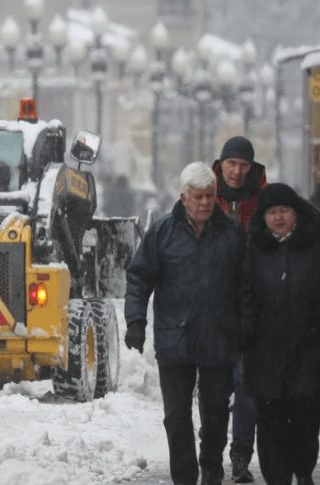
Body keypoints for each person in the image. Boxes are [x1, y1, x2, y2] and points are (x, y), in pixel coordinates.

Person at [124, 161, 248, 485]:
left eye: (210, 195)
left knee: (217, 413)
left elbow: (247, 285)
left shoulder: (232, 233)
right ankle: (184, 477)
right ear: (183, 197)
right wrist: (136, 320)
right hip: (174, 340)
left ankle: (210, 467)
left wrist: (249, 327)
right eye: (199, 196)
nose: (205, 202)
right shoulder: (162, 232)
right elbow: (139, 277)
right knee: (177, 417)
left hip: (219, 339)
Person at [241, 183, 320, 485]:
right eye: (271, 212)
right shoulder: (255, 247)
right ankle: (277, 479)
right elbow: (244, 295)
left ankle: (303, 471)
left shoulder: (313, 246)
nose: (277, 218)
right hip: (266, 355)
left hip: (308, 353)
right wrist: (247, 335)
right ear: (263, 216)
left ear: (296, 213)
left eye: (284, 211)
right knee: (271, 423)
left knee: (305, 421)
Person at [210, 135, 267, 483]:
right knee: (215, 389)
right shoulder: (203, 194)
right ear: (221, 164)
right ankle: (211, 454)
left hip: (252, 312)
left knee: (248, 387)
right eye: (231, 163)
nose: (237, 171)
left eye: (243, 165)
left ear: (251, 168)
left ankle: (241, 457)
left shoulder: (264, 200)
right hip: (214, 313)